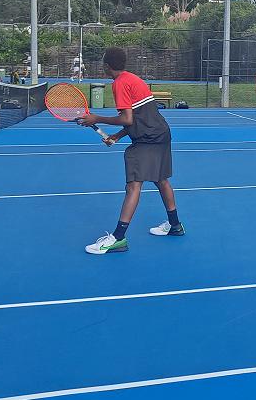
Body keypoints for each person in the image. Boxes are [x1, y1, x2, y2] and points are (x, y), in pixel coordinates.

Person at [78, 47, 184, 255]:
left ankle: (118, 238)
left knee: (134, 185)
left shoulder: (119, 84)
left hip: (147, 139)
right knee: (161, 180)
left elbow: (127, 119)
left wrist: (96, 118)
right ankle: (175, 225)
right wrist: (117, 136)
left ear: (107, 66)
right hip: (161, 133)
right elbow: (137, 118)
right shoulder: (133, 79)